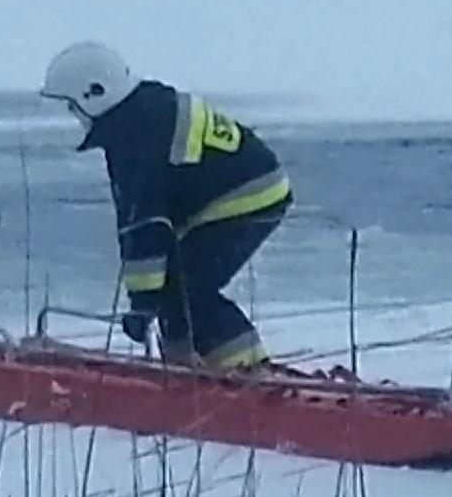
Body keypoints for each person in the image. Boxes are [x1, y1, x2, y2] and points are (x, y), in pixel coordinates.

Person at [40, 42, 292, 370]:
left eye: (73, 107)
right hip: (242, 188)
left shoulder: (136, 138)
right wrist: (148, 302)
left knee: (187, 290)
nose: (74, 117)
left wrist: (143, 305)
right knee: (176, 288)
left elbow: (145, 228)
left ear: (94, 96)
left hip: (247, 197)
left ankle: (248, 371)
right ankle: (183, 363)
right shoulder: (141, 111)